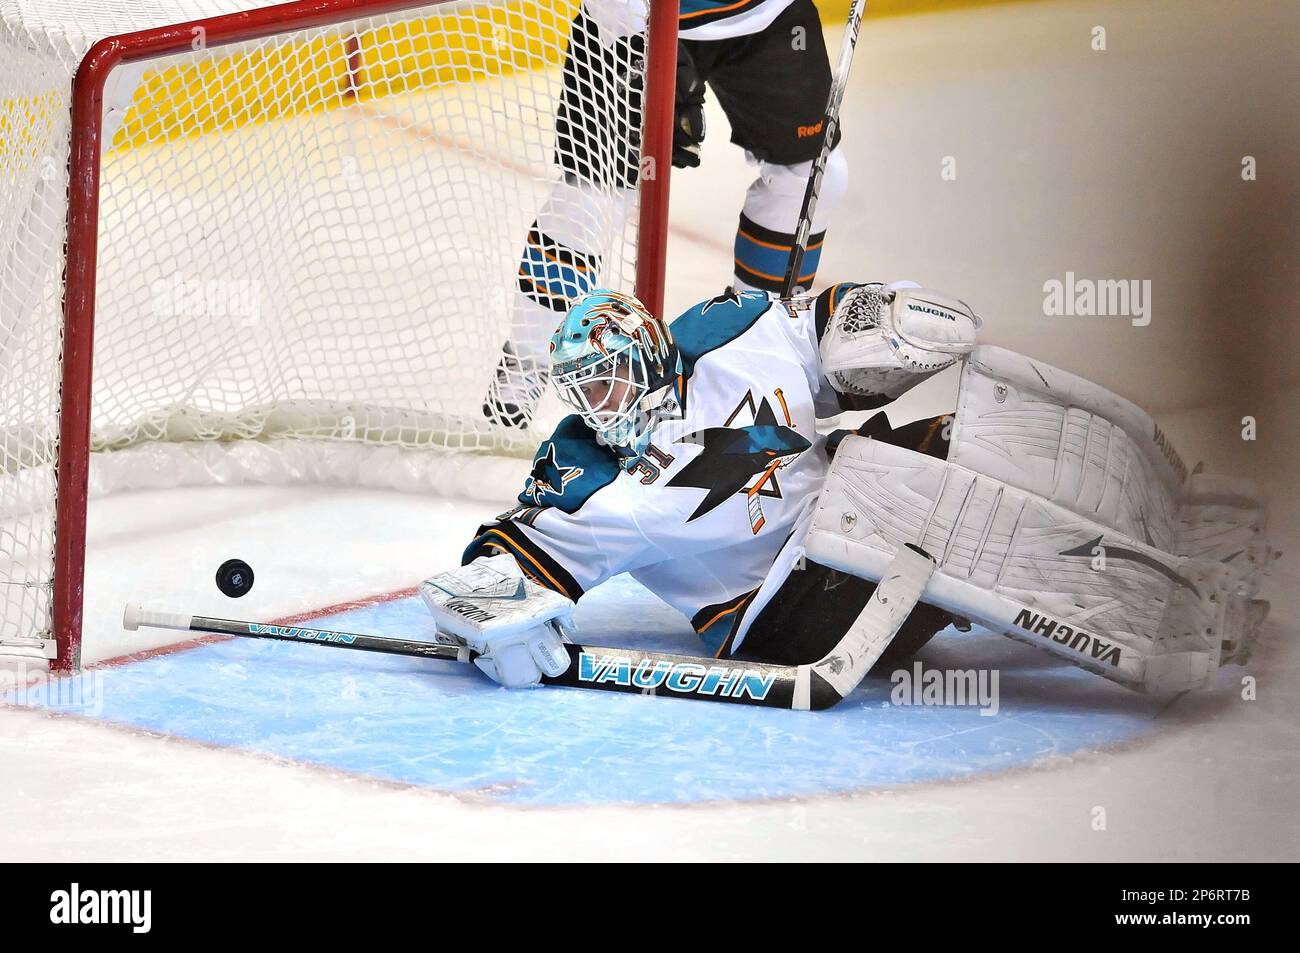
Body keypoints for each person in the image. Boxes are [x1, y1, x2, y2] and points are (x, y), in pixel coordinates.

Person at [427, 281, 980, 688]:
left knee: (966, 445)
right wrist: (488, 616)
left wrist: (887, 314)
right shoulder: (586, 470)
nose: (600, 406)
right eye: (584, 392)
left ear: (648, 354)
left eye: (607, 382)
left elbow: (822, 326)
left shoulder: (728, 333)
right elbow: (510, 554)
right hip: (788, 612)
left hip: (848, 506)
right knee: (951, 500)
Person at [483, 0, 850, 429]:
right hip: (633, 17)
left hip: (766, 13)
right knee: (595, 190)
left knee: (810, 178)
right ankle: (523, 366)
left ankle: (757, 349)